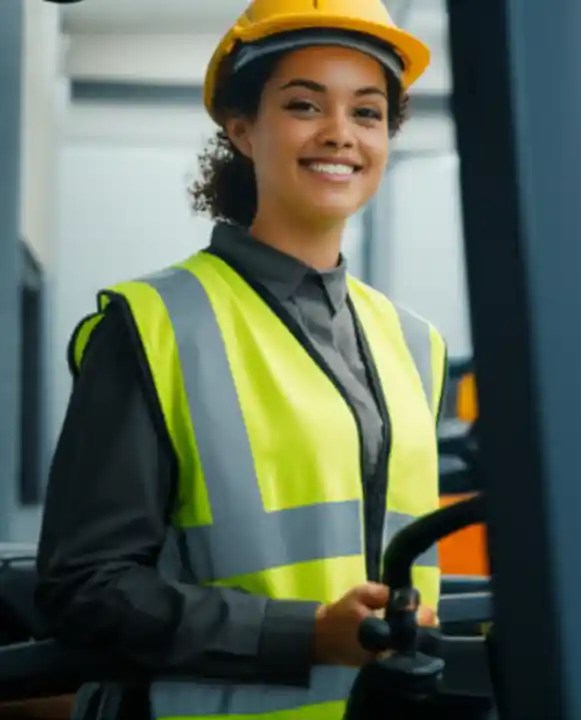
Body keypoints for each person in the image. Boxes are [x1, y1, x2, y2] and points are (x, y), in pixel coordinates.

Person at [35, 2, 450, 718]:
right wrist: (308, 635)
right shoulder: (154, 324)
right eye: (303, 104)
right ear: (241, 130)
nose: (340, 135)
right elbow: (86, 588)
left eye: (367, 113)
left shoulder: (414, 343)